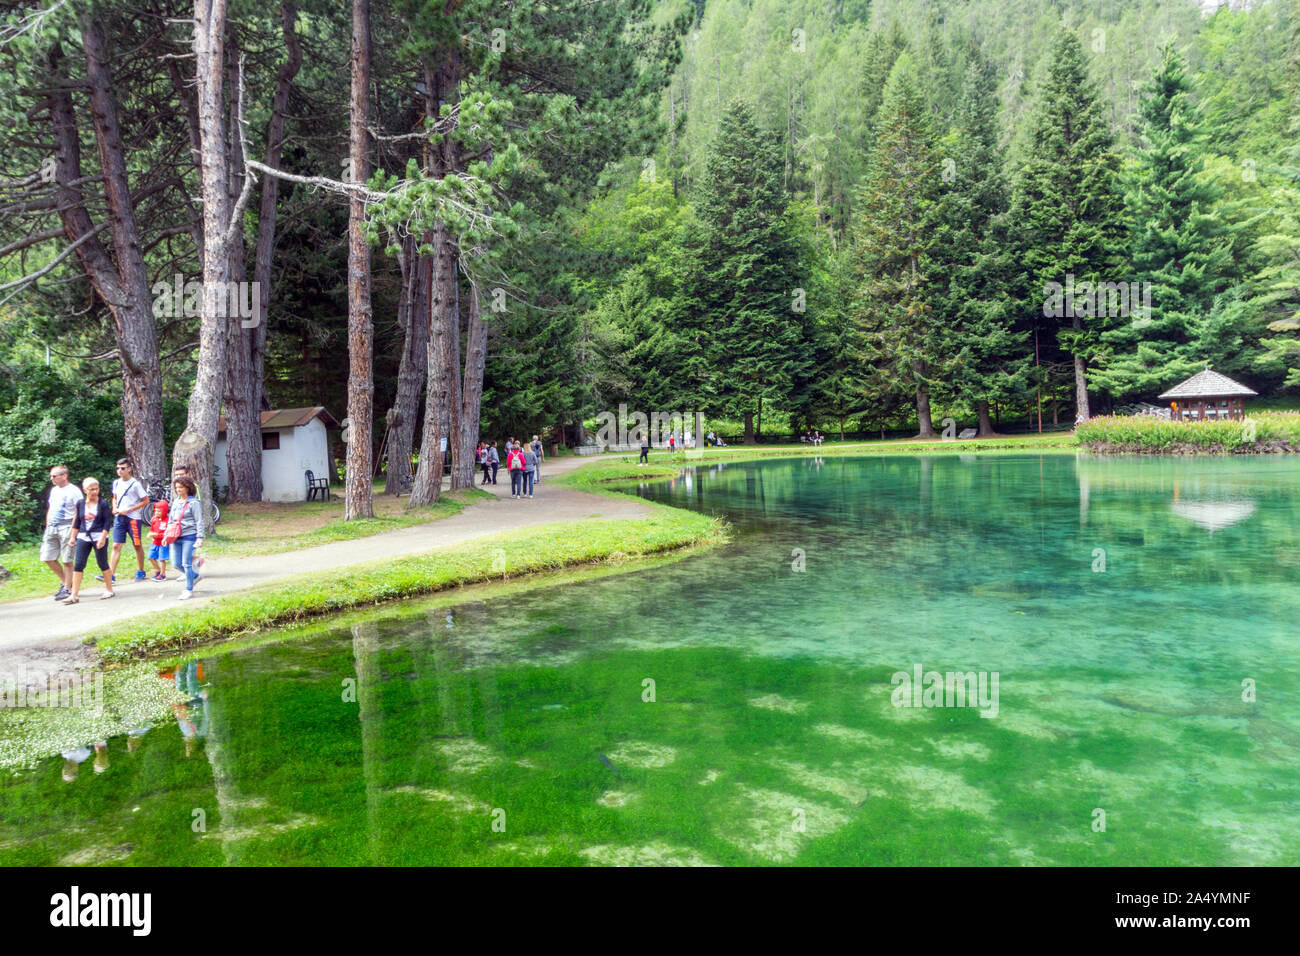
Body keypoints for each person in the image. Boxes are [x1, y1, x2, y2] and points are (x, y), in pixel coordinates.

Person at [63, 477, 114, 603]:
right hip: (83, 536)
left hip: (99, 535)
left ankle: (109, 589)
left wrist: (103, 538)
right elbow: (77, 521)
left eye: (96, 489)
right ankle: (74, 594)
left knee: (102, 562)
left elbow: (107, 522)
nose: (94, 492)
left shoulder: (103, 503)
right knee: (79, 564)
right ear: (85, 490)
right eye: (91, 489)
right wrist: (72, 537)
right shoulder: (80, 503)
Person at [42, 464, 83, 601]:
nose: (51, 478)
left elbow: (78, 512)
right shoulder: (54, 490)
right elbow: (50, 508)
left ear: (64, 476)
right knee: (48, 557)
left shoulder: (74, 491)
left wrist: (73, 531)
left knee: (67, 559)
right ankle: (67, 583)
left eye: (54, 476)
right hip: (52, 527)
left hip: (67, 526)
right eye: (51, 476)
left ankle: (67, 588)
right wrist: (48, 525)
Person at [107, 458, 148, 584]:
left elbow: (145, 501)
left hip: (133, 518)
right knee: (116, 545)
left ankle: (141, 570)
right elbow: (115, 498)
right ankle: (110, 574)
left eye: (123, 468)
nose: (120, 471)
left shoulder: (135, 484)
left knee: (137, 545)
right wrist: (114, 507)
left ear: (129, 469)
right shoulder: (116, 483)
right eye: (118, 468)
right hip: (119, 517)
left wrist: (130, 509)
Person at [167, 476, 204, 600]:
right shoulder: (176, 502)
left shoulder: (194, 503)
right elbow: (171, 519)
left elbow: (199, 521)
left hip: (189, 535)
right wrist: (166, 534)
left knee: (186, 563)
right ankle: (195, 576)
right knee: (176, 564)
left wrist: (200, 537)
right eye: (176, 487)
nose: (178, 490)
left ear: (187, 488)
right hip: (176, 536)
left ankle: (188, 589)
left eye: (181, 487)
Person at [147, 497, 170, 582]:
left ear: (164, 511)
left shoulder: (167, 521)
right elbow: (152, 529)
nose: (157, 512)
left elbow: (167, 533)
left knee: (162, 559)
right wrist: (151, 534)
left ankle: (163, 574)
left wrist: (156, 535)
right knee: (150, 557)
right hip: (155, 542)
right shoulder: (154, 519)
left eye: (159, 511)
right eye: (156, 510)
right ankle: (158, 570)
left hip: (163, 543)